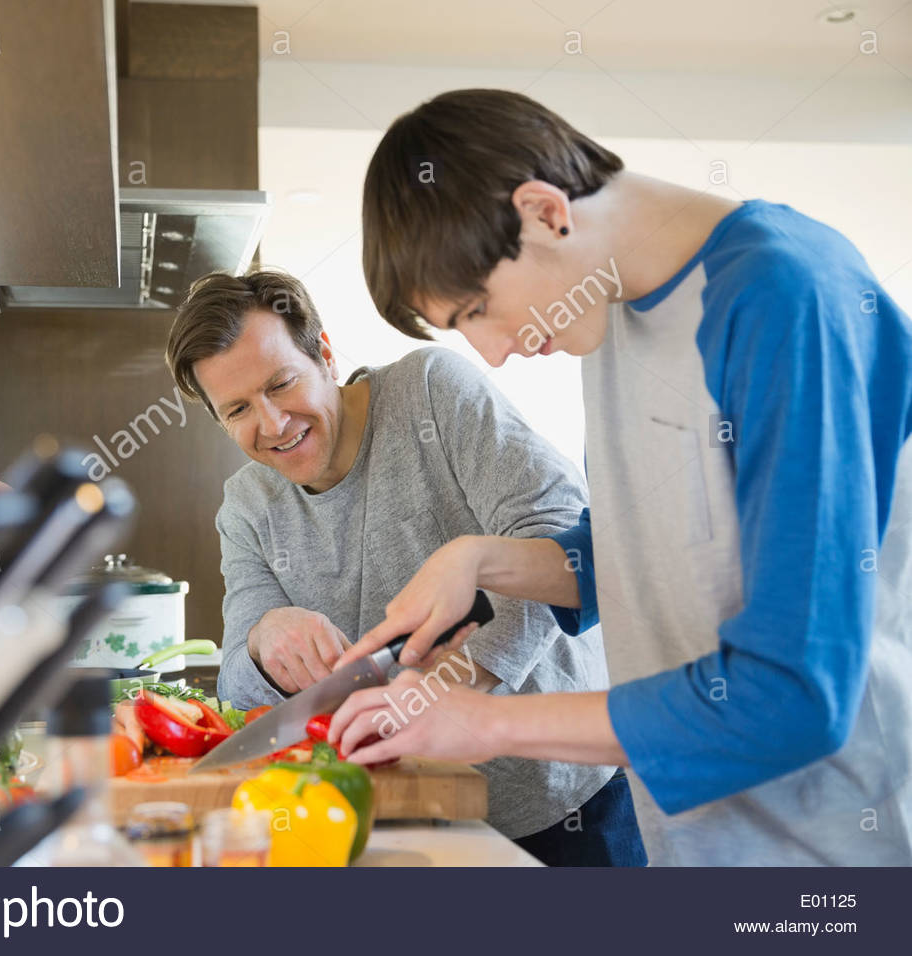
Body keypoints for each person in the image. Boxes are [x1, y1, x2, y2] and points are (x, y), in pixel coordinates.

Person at [331, 88, 912, 866]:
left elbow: (798, 693)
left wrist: (484, 722)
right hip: (695, 843)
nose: (493, 353)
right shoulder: (604, 315)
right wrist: (478, 558)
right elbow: (651, 550)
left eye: (477, 310)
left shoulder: (786, 295)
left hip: (836, 855)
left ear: (543, 212)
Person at [165, 270, 647, 865]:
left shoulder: (431, 390)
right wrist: (264, 640)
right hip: (392, 815)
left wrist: (447, 693)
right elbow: (238, 677)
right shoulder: (246, 505)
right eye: (237, 408)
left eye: (282, 384)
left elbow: (555, 539)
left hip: (560, 804)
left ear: (325, 355)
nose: (272, 424)